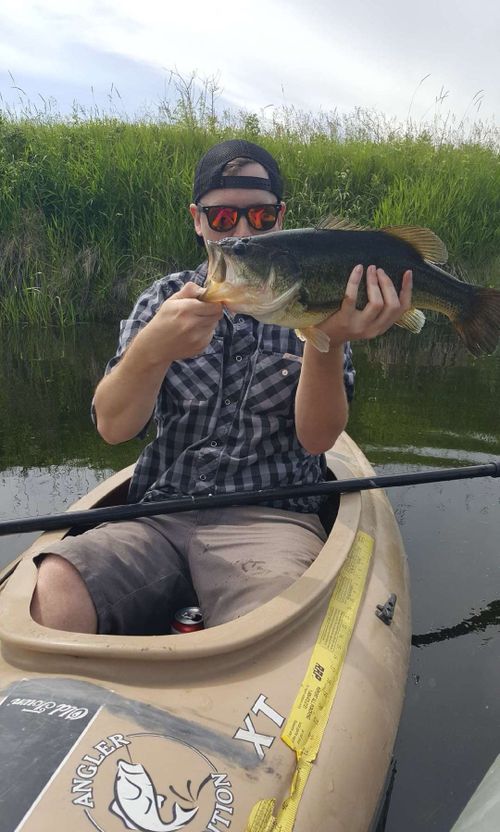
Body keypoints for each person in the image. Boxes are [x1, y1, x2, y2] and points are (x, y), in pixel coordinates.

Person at [31, 139, 412, 635]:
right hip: (156, 518)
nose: (244, 233)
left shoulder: (323, 303)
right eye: (224, 220)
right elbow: (113, 428)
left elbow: (318, 440)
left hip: (271, 523)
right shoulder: (164, 300)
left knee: (273, 626)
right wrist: (153, 348)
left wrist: (328, 342)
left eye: (262, 217)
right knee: (56, 585)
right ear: (197, 219)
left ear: (282, 219)